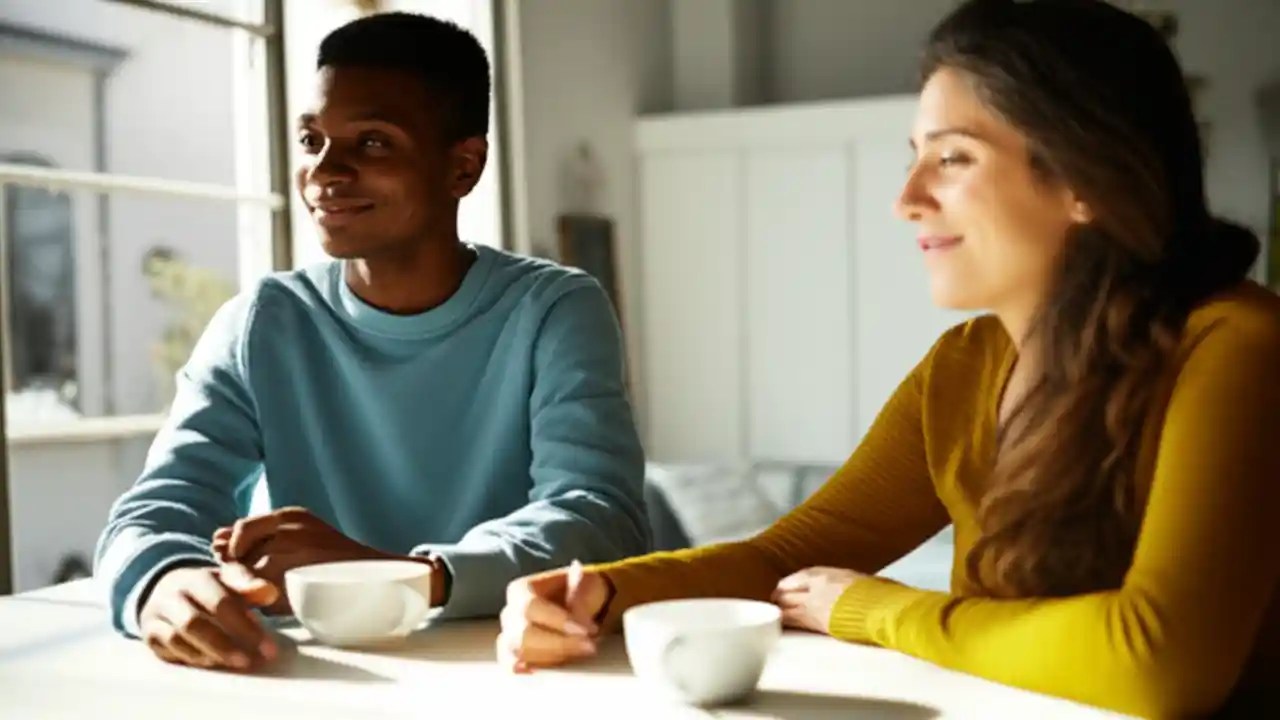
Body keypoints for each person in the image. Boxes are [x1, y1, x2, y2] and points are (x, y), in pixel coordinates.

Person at [496, 1, 1280, 716]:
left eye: (953, 158)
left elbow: (1160, 664)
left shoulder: (1237, 347)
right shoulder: (965, 366)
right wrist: (598, 593)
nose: (907, 197)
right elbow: (790, 556)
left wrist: (883, 612)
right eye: (914, 156)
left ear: (1085, 178)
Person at [95, 12, 648, 672]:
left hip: (505, 675)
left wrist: (395, 575)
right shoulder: (262, 322)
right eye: (311, 140)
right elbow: (152, 515)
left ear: (463, 167)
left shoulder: (554, 309)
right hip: (315, 677)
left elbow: (601, 521)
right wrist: (163, 580)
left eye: (374, 144)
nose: (325, 172)